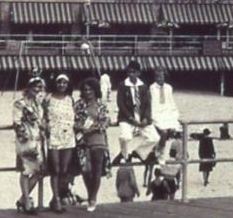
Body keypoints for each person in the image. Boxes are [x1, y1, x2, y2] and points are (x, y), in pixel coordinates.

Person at [74, 77, 110, 213]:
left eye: (90, 89)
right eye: (85, 90)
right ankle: (91, 195)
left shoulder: (101, 105)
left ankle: (92, 198)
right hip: (82, 140)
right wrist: (80, 127)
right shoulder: (78, 104)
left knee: (96, 171)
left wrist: (94, 127)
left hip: (98, 139)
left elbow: (107, 121)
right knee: (85, 170)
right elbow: (72, 120)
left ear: (96, 90)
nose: (88, 92)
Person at [115, 61, 159, 164]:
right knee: (125, 137)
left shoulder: (143, 86)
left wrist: (145, 118)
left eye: (133, 72)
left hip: (141, 118)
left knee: (154, 138)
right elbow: (120, 104)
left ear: (138, 73)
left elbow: (148, 104)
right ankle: (126, 154)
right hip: (127, 118)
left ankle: (136, 151)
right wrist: (131, 119)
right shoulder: (123, 85)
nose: (131, 74)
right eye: (129, 72)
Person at [43, 74, 76, 213]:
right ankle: (56, 199)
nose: (62, 85)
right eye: (59, 82)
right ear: (55, 84)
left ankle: (57, 196)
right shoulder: (48, 98)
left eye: (64, 83)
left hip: (68, 136)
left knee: (64, 170)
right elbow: (42, 115)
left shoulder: (70, 99)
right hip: (54, 136)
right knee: (55, 170)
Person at [13, 78, 46, 214]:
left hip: (38, 140)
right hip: (25, 140)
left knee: (41, 171)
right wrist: (25, 137)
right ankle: (26, 202)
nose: (37, 89)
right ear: (28, 87)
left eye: (39, 87)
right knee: (26, 171)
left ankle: (22, 199)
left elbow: (40, 121)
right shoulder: (19, 103)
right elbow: (17, 122)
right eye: (34, 86)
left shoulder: (38, 103)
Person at [149, 67, 182, 164]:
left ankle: (167, 151)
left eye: (161, 77)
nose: (159, 79)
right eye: (157, 77)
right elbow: (153, 103)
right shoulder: (152, 87)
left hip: (167, 112)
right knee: (163, 131)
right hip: (157, 112)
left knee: (175, 129)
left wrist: (174, 113)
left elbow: (170, 101)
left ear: (164, 77)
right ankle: (160, 151)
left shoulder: (168, 87)